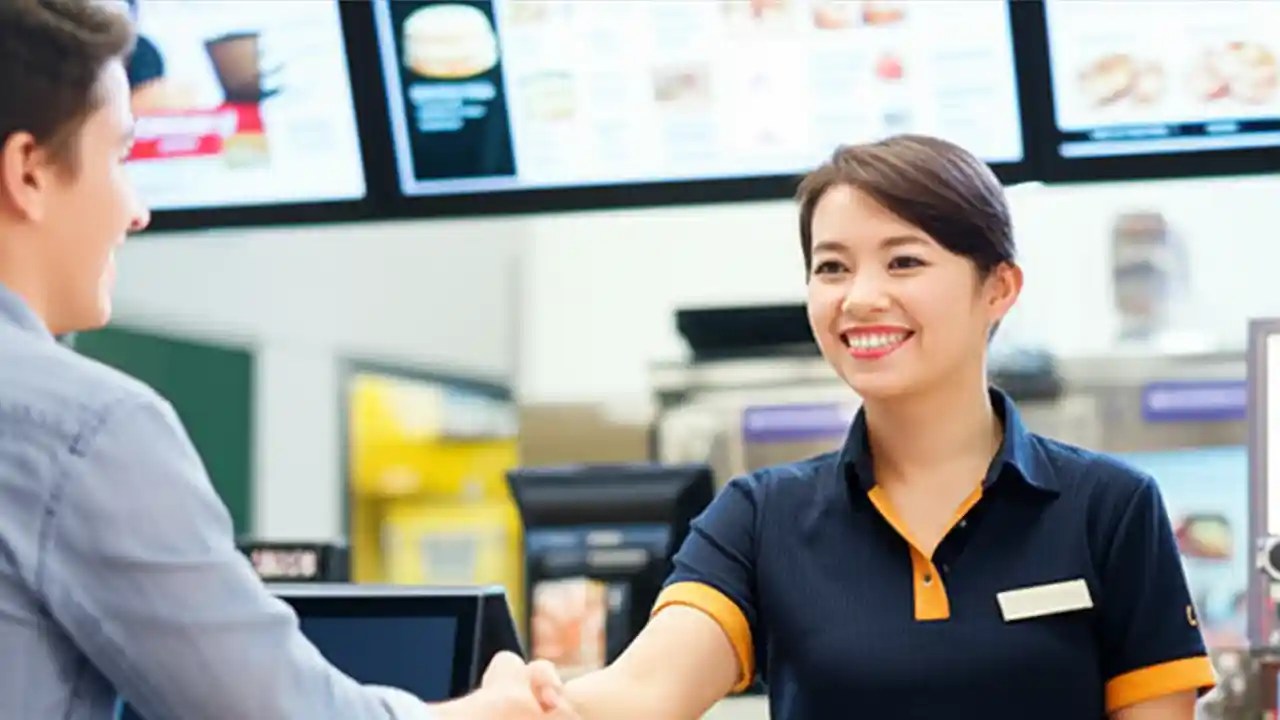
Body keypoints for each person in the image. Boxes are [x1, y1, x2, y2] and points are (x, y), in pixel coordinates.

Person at [0, 2, 572, 719]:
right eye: (120, 157)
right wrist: (497, 711)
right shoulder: (83, 432)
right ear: (27, 171)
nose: (135, 209)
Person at [534, 135, 1218, 719]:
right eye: (831, 266)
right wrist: (519, 702)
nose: (860, 298)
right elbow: (642, 691)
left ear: (998, 288)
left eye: (905, 261)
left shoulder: (1109, 508)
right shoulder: (760, 517)